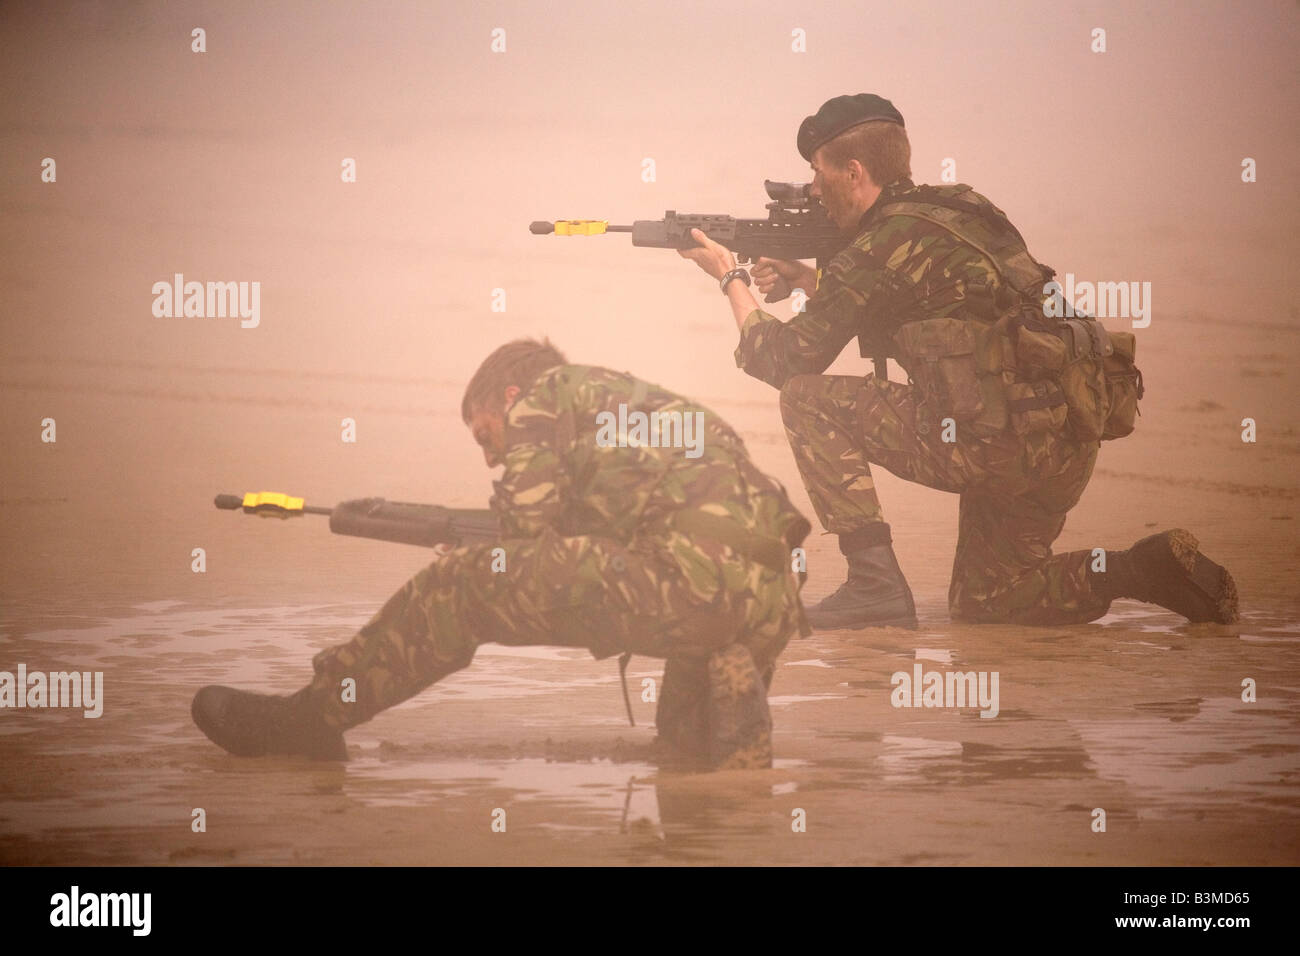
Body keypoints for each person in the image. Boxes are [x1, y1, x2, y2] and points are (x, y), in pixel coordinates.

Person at [676, 93, 1238, 629]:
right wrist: (817, 282)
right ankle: (1137, 569)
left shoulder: (874, 249)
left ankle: (874, 585)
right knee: (991, 599)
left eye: (820, 173)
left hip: (990, 439)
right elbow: (948, 309)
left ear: (853, 171)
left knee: (805, 400)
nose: (815, 189)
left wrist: (730, 277)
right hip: (1066, 435)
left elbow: (783, 359)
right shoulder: (966, 207)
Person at [192, 338, 812, 768]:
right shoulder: (646, 409)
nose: (493, 458)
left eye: (488, 436)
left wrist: (471, 548)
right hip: (771, 600)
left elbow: (521, 532)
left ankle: (310, 721)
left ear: (510, 395)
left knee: (459, 585)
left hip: (689, 582)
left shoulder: (545, 394)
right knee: (685, 761)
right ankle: (711, 722)